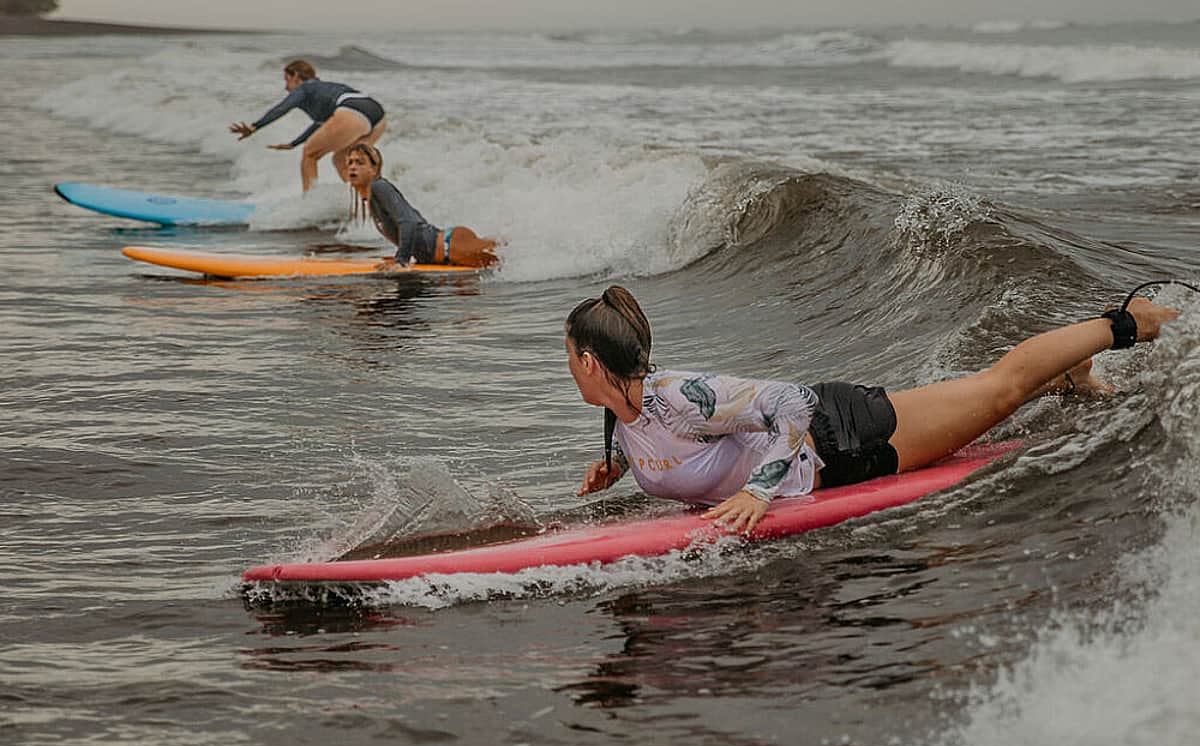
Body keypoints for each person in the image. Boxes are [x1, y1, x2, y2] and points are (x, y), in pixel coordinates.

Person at [567, 285, 1179, 534]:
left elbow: (793, 402)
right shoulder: (624, 416)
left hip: (844, 435)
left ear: (592, 363)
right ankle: (1066, 379)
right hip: (832, 455)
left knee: (999, 391)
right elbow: (666, 445)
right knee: (993, 402)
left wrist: (758, 491)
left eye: (569, 356)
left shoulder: (679, 396)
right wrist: (617, 469)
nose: (567, 366)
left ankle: (1127, 322)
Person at [229, 60, 387, 193]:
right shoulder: (323, 91)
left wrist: (255, 127)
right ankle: (367, 201)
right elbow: (320, 124)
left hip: (352, 110)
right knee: (341, 159)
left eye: (287, 80)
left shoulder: (304, 88)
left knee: (310, 154)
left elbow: (283, 107)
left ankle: (309, 204)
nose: (286, 87)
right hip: (378, 117)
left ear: (296, 76)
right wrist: (294, 143)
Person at [344, 143, 500, 268]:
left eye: (360, 162)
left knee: (507, 257)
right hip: (444, 249)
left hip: (450, 246)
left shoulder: (379, 186)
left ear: (374, 169)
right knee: (504, 256)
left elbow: (409, 222)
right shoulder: (372, 196)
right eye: (350, 162)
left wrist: (401, 260)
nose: (352, 167)